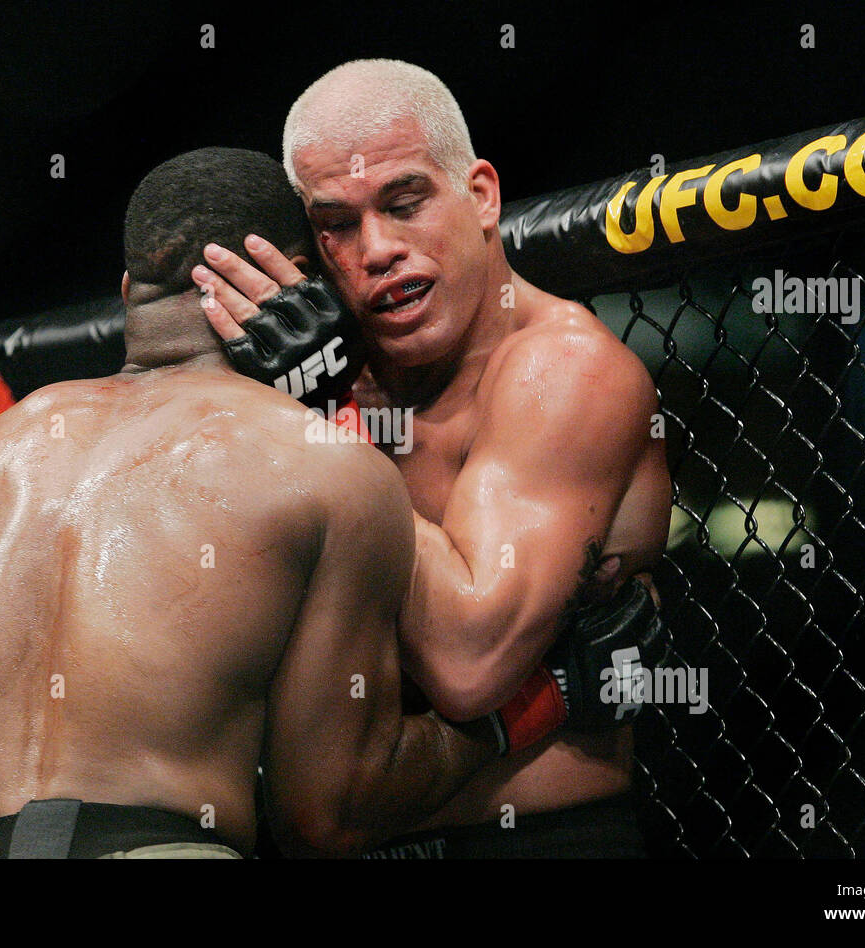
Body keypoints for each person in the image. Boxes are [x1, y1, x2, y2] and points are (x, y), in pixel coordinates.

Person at [0, 149, 552, 858]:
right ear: (308, 285)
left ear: (127, 289)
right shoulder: (324, 464)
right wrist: (531, 705)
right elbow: (330, 811)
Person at [192, 60, 672, 857]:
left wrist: (322, 422)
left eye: (406, 202)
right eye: (337, 224)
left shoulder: (561, 371)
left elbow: (467, 659)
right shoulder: (309, 376)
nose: (377, 249)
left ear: (480, 195)